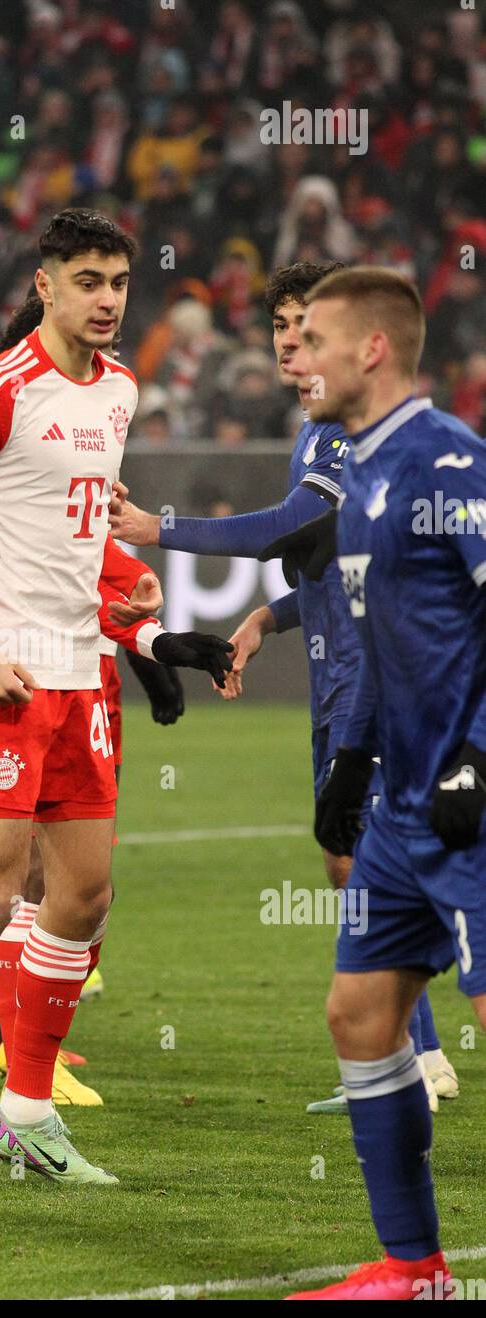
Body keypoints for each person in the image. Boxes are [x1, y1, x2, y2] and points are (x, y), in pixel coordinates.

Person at [0, 207, 233, 1199]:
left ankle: (24, 1114)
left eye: (118, 280)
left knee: (82, 896)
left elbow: (61, 528)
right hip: (3, 677)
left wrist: (127, 585)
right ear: (46, 285)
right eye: (87, 280)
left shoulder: (119, 390)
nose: (108, 298)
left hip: (83, 677)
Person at [110, 260, 457, 1114]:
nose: (293, 346)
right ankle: (414, 1052)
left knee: (383, 866)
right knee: (351, 864)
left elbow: (286, 526)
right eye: (281, 331)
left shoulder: (353, 437)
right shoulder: (315, 427)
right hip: (338, 674)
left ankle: (417, 1054)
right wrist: (267, 620)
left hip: (372, 684)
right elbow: (332, 566)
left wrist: (159, 527)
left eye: (309, 330)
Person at [267, 266, 486, 1300]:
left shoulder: (451, 463)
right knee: (361, 1015)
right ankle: (415, 1269)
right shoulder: (354, 475)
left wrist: (476, 760)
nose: (294, 359)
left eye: (311, 339)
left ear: (372, 349)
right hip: (400, 806)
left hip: (473, 807)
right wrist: (349, 762)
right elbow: (370, 641)